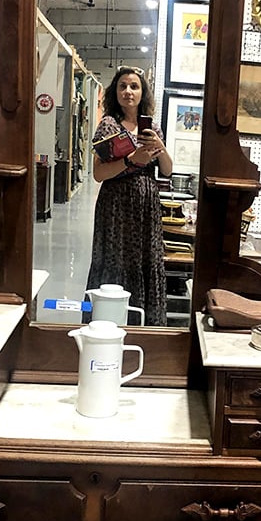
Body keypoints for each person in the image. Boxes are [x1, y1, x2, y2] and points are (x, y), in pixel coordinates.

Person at [84, 66, 173, 326]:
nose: (128, 91)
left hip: (146, 208)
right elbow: (99, 174)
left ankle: (143, 323)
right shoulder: (108, 126)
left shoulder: (152, 127)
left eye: (134, 86)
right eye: (122, 86)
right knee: (114, 258)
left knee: (146, 259)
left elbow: (167, 170)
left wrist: (160, 147)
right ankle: (107, 322)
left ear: (143, 92)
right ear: (115, 92)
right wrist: (133, 160)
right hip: (115, 207)